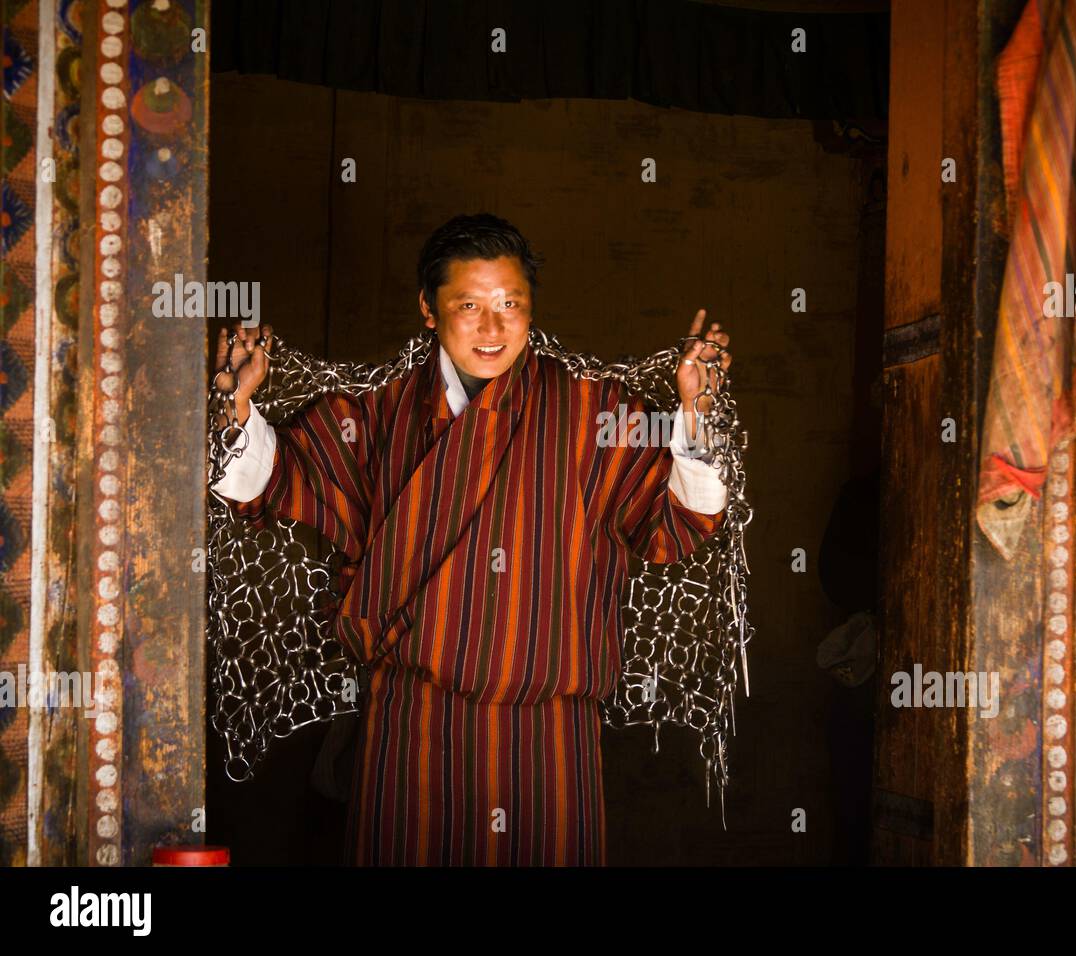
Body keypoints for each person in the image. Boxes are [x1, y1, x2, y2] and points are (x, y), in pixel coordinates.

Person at [211, 213, 733, 865]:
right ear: (428, 309)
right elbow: (268, 481)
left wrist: (694, 414)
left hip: (550, 742)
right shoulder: (378, 412)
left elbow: (678, 523)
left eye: (511, 304)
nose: (494, 327)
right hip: (411, 733)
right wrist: (238, 403)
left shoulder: (592, 413)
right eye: (470, 305)